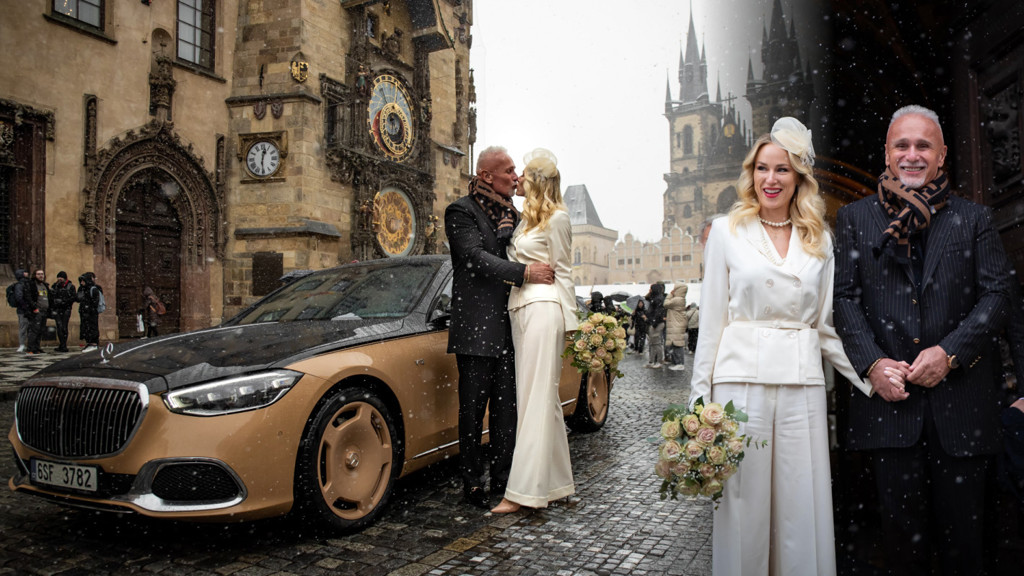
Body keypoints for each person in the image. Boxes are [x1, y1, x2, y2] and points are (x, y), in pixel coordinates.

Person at [833, 105, 1014, 576]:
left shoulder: (973, 218)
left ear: (941, 155)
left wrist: (950, 353)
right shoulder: (854, 218)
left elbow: (998, 294)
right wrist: (872, 364)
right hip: (890, 412)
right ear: (888, 154)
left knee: (967, 550)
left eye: (923, 146)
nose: (912, 155)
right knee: (900, 549)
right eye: (902, 145)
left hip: (963, 411)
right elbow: (844, 300)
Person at [689, 117, 874, 576]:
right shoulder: (726, 231)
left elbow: (827, 328)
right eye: (762, 169)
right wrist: (697, 400)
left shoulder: (820, 240)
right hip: (739, 382)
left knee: (801, 507)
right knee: (742, 512)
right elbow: (712, 321)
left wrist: (872, 375)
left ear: (799, 179)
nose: (770, 179)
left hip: (801, 383)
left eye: (782, 170)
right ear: (751, 174)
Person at [444, 145, 554, 509]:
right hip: (475, 330)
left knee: (507, 413)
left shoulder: (515, 215)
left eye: (515, 171)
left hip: (510, 329)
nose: (515, 177)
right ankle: (473, 482)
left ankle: (504, 479)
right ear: (486, 175)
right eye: (508, 171)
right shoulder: (461, 211)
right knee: (472, 413)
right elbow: (475, 259)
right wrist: (524, 273)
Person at [492, 148, 578, 514]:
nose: (518, 179)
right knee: (537, 399)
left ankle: (523, 493)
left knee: (536, 401)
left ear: (538, 181)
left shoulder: (557, 219)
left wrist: (572, 326)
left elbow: (565, 271)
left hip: (544, 310)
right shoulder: (526, 219)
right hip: (520, 309)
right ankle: (557, 483)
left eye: (524, 174)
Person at [50, 271, 76, 352]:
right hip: (58, 309)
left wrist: (64, 301)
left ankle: (64, 344)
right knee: (59, 326)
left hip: (66, 309)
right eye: (58, 277)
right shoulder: (55, 285)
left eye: (61, 277)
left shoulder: (70, 286)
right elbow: (51, 296)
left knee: (64, 326)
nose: (59, 279)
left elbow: (73, 297)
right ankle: (62, 344)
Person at [664, 284, 688, 370]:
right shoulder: (680, 299)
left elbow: (666, 304)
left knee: (677, 344)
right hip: (676, 324)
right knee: (675, 344)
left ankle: (680, 363)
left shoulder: (677, 299)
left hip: (676, 324)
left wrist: (670, 295)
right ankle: (676, 362)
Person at [77, 272, 102, 352]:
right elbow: (78, 298)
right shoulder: (83, 289)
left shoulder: (93, 289)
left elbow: (95, 302)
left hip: (91, 313)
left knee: (92, 327)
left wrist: (88, 308)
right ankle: (89, 343)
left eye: (83, 281)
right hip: (85, 313)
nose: (81, 283)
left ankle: (93, 344)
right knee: (86, 328)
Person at [644, 282, 666, 368]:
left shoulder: (658, 299)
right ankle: (652, 361)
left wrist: (654, 322)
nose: (649, 290)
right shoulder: (655, 298)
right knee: (653, 343)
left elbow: (658, 312)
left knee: (656, 343)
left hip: (656, 323)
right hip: (654, 322)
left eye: (651, 289)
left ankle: (659, 361)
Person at [12, 268, 32, 352]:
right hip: (23, 310)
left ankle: (29, 345)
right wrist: (25, 307)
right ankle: (22, 344)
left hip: (28, 309)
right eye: (25, 273)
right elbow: (19, 297)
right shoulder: (20, 285)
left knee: (30, 328)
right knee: (23, 327)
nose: (27, 274)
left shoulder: (28, 283)